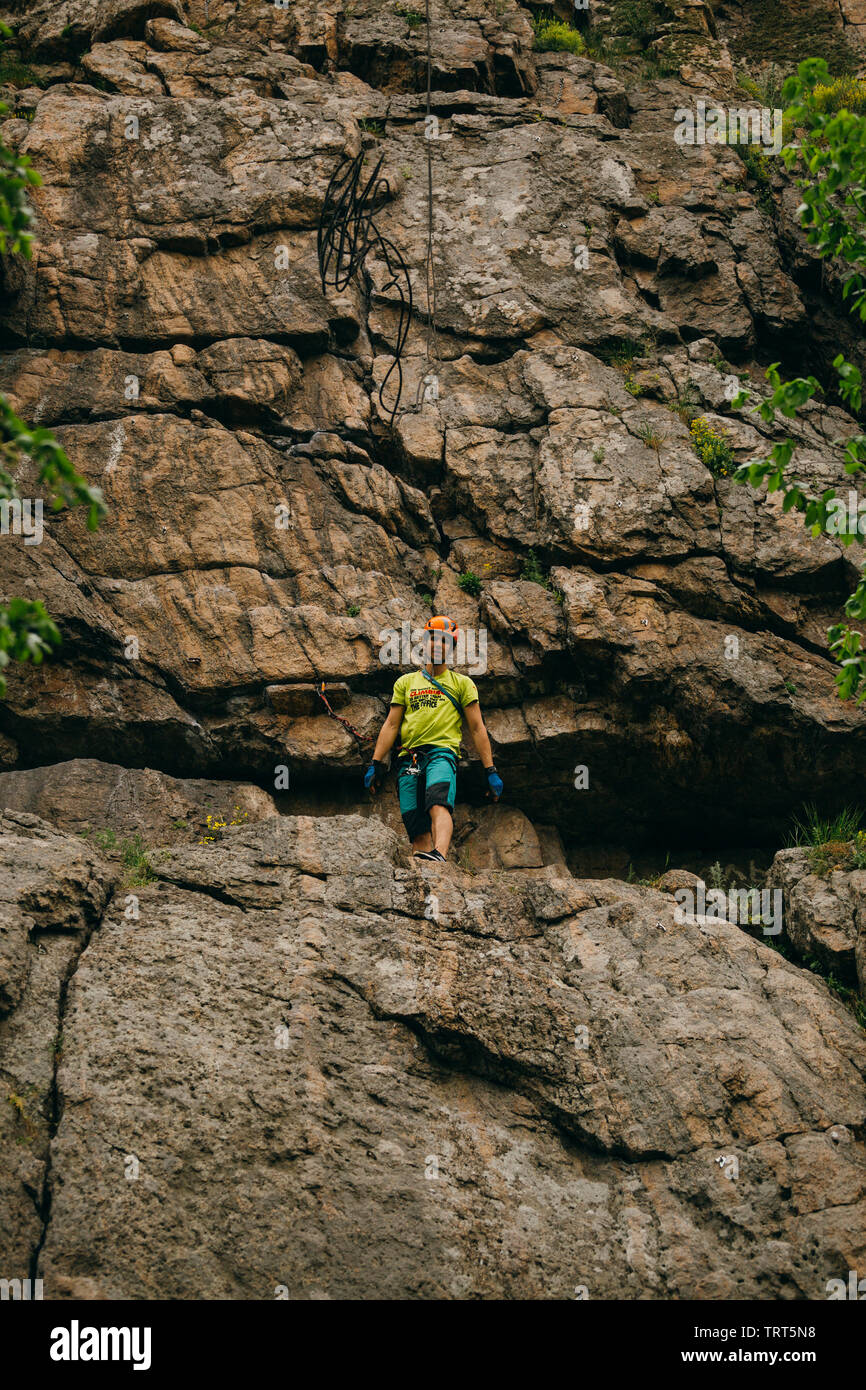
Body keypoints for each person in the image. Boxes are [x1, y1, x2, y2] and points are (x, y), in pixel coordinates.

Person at [364, 615, 503, 861]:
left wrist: (490, 770)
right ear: (424, 643)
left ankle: (440, 854)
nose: (437, 645)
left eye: (444, 641)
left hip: (441, 754)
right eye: (432, 639)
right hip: (409, 759)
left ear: (451, 648)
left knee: (438, 802)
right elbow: (391, 724)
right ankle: (425, 871)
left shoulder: (462, 684)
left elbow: (477, 728)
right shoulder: (405, 682)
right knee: (414, 822)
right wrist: (375, 763)